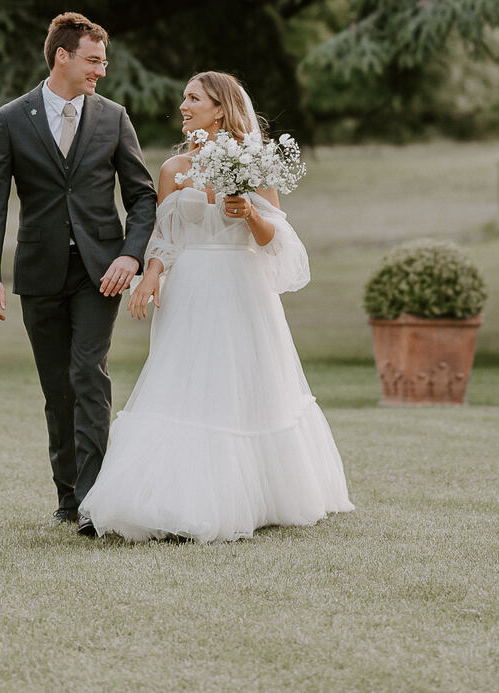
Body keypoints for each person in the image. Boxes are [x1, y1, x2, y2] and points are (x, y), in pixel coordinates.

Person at [79, 71, 352, 542]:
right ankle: (169, 501)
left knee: (238, 385)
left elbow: (276, 241)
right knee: (181, 384)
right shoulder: (172, 169)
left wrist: (248, 212)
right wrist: (151, 276)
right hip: (188, 290)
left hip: (241, 287)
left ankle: (250, 496)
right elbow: (165, 237)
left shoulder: (256, 163)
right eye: (184, 97)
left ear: (220, 108)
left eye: (193, 98)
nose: (182, 106)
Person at [0, 12, 158, 536]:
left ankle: (96, 501)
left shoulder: (114, 117)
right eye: (94, 60)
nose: (102, 69)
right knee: (57, 386)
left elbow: (142, 195)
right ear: (63, 57)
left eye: (103, 61)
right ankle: (68, 497)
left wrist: (131, 255)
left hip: (102, 271)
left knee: (87, 373)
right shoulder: (11, 119)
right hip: (39, 271)